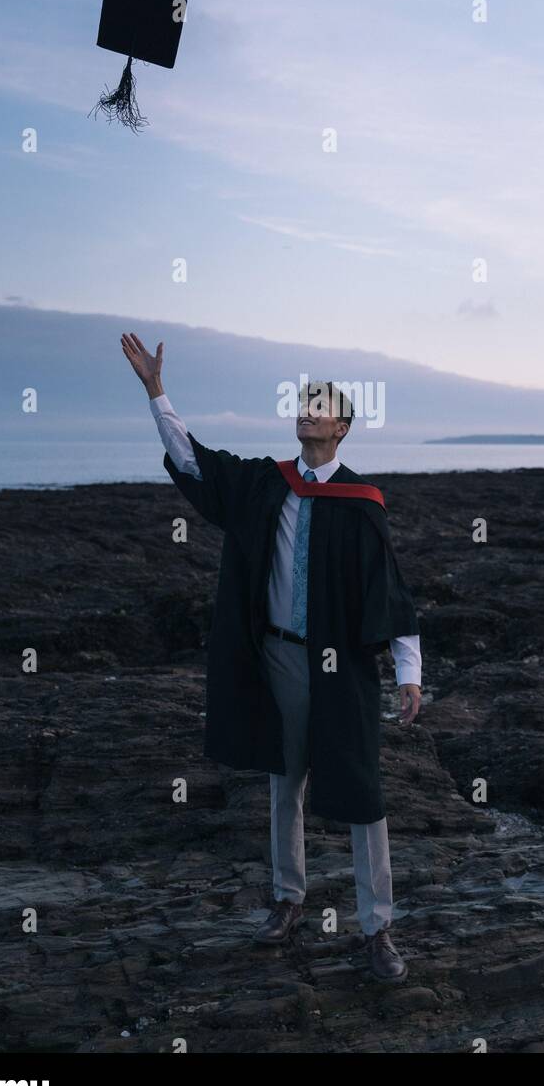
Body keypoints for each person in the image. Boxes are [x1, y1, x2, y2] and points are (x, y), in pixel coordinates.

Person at [121, 333, 422, 983]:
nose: (308, 410)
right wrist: (155, 391)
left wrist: (409, 671)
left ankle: (379, 928)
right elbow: (193, 462)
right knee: (284, 784)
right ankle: (288, 901)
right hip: (280, 659)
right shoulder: (266, 484)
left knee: (364, 795)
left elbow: (389, 590)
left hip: (342, 670)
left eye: (321, 406)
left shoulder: (362, 502)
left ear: (341, 426)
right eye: (303, 403)